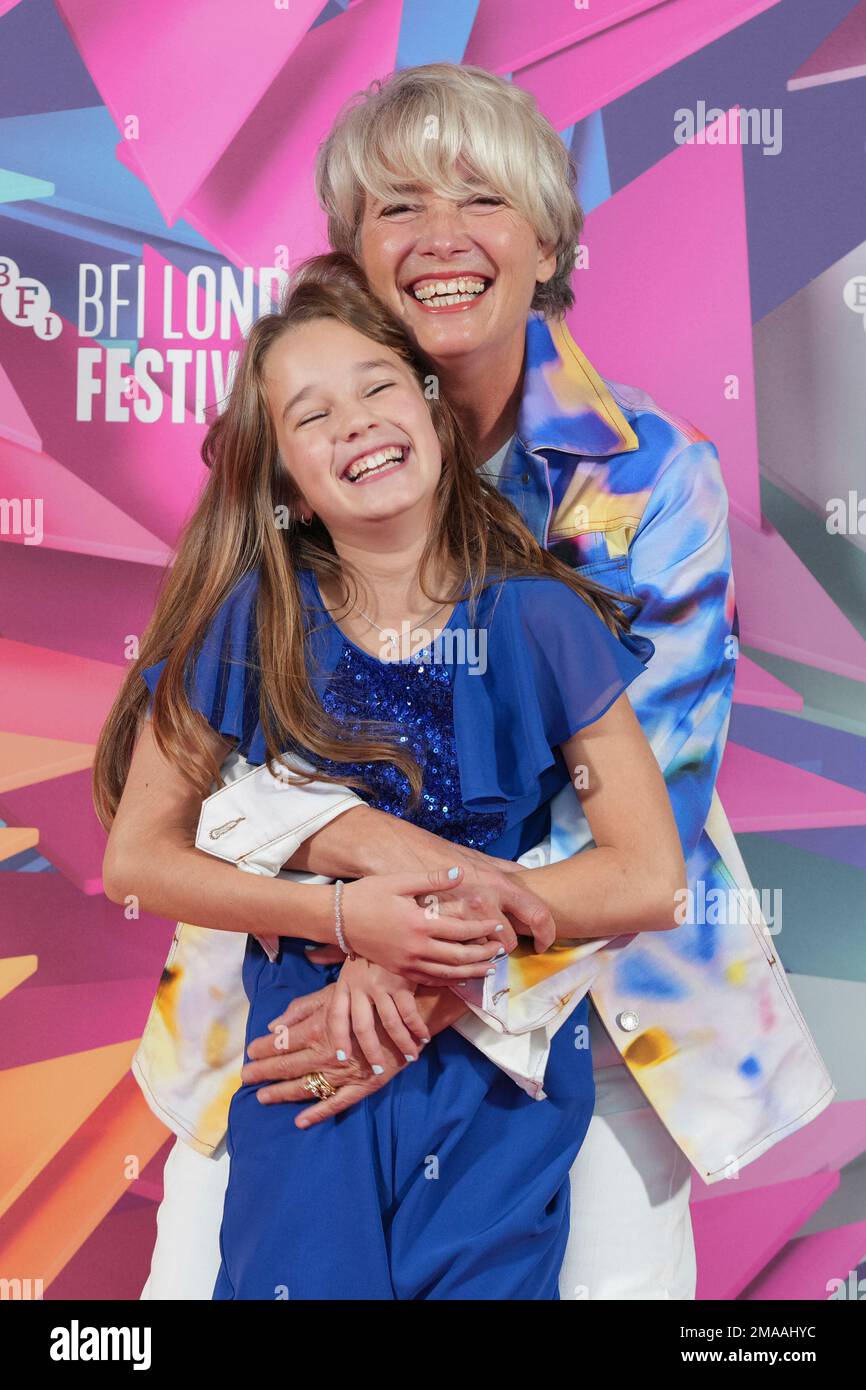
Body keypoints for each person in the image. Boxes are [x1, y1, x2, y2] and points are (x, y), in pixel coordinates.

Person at [106, 62, 834, 1302]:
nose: (440, 237)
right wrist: (345, 929)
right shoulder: (295, 447)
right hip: (293, 1011)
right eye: (397, 207)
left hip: (585, 1018)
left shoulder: (654, 475)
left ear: (547, 238)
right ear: (353, 248)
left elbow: (639, 800)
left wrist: (410, 972)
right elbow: (186, 778)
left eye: (480, 198)